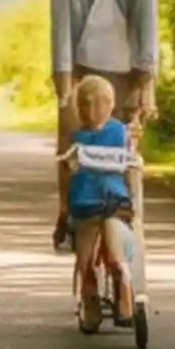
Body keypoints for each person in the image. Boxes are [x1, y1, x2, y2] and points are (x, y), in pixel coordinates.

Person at [49, 0, 159, 238]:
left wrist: (146, 89)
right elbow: (62, 35)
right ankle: (68, 213)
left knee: (126, 150)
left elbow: (148, 33)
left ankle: (129, 220)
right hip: (84, 72)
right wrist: (66, 93)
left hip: (128, 75)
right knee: (72, 143)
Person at [54, 75, 145, 333]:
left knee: (115, 248)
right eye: (83, 104)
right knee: (85, 256)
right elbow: (67, 169)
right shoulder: (78, 137)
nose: (89, 110)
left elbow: (131, 158)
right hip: (85, 202)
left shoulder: (119, 132)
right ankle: (89, 293)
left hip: (114, 200)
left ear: (109, 104)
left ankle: (123, 285)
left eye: (97, 103)